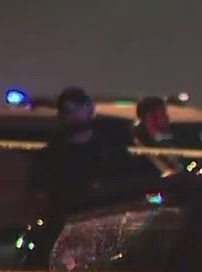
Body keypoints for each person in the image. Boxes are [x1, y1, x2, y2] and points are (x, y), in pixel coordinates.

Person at [28, 87, 143, 222]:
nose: (73, 115)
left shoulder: (112, 151)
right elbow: (39, 195)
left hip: (106, 221)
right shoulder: (50, 156)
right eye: (68, 111)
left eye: (78, 108)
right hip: (65, 224)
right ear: (61, 115)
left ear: (89, 110)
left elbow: (128, 188)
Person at [131, 95, 183, 175]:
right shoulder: (137, 146)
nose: (167, 117)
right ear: (151, 118)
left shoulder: (178, 137)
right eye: (163, 113)